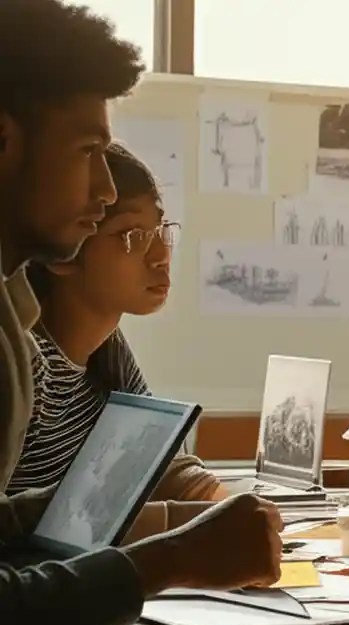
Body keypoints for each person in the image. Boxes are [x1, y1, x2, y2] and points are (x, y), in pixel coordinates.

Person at [0, 0, 282, 625]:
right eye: (87, 152)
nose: (102, 188)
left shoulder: (12, 310)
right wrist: (174, 557)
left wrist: (113, 514)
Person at [12, 142, 227, 541]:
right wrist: (184, 523)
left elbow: (157, 465)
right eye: (132, 235)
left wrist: (230, 507)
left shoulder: (107, 348)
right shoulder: (26, 365)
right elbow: (29, 529)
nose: (161, 254)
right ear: (64, 251)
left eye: (161, 229)